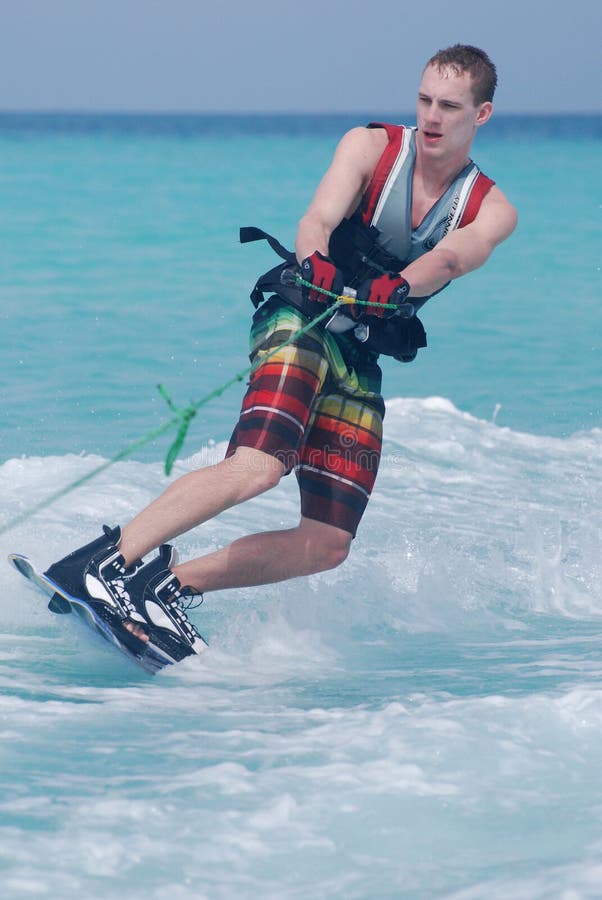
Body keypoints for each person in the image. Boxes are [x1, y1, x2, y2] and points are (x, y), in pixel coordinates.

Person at [45, 44, 517, 664]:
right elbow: (317, 218)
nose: (431, 116)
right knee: (259, 467)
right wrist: (315, 257)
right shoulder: (371, 148)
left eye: (449, 106)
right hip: (301, 317)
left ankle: (165, 587)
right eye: (425, 100)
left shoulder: (491, 208)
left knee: (327, 543)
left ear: (480, 114)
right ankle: (100, 565)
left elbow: (453, 257)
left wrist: (402, 286)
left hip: (359, 355)